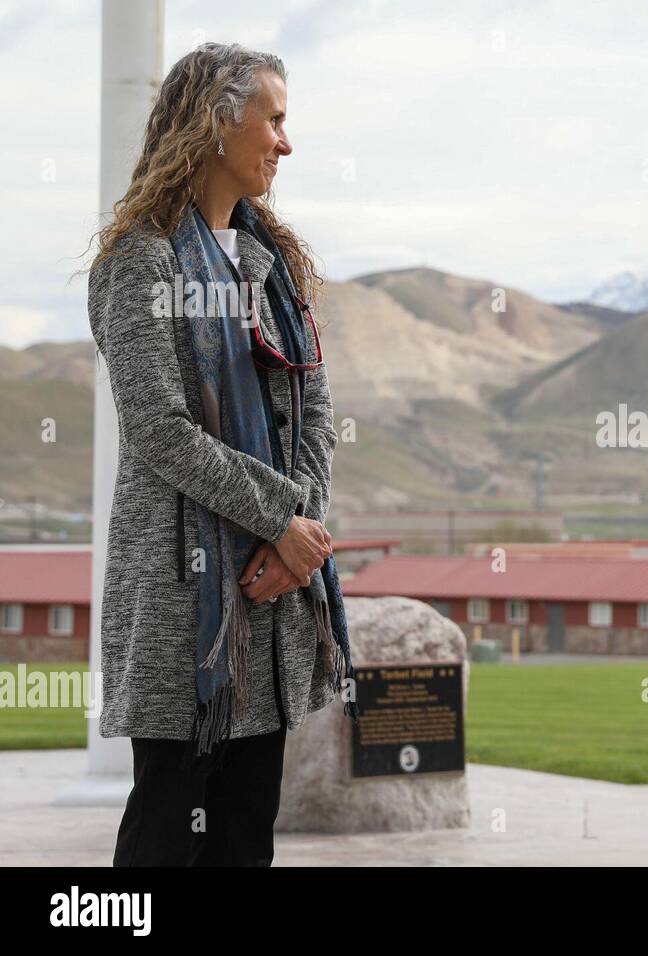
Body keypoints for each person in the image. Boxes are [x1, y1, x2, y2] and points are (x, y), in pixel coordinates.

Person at [86, 42, 355, 866]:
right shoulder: (140, 263)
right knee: (164, 837)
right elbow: (162, 430)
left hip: (270, 603)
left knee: (244, 840)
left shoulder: (271, 268)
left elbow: (315, 411)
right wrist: (281, 519)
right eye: (273, 119)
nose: (285, 141)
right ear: (217, 121)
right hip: (186, 608)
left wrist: (295, 539)